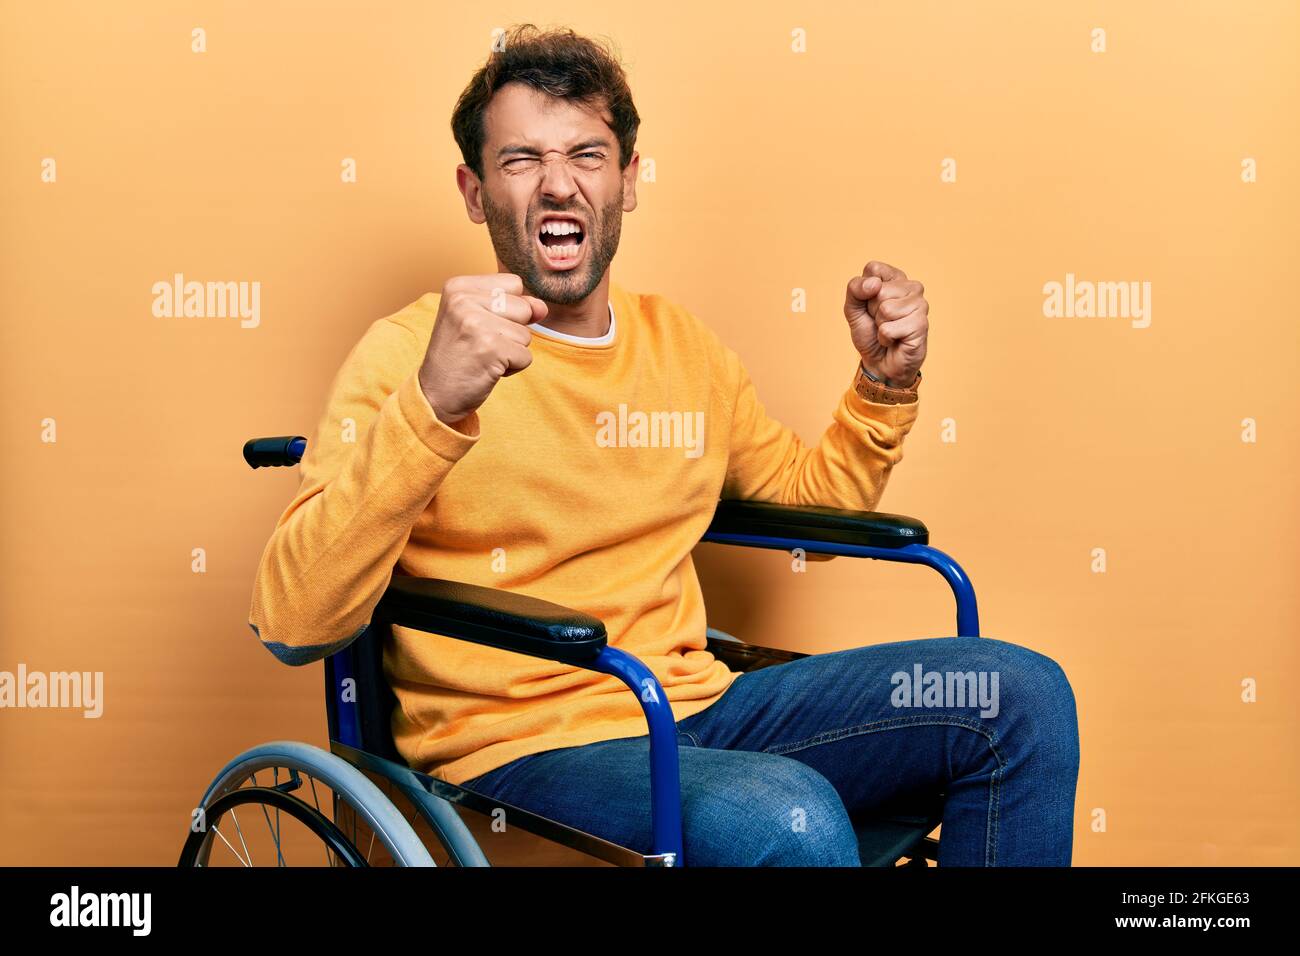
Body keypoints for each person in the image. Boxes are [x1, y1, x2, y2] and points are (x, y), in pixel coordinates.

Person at [248, 23, 1079, 866]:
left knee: (1018, 696)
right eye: (521, 159)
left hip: (692, 705)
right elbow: (293, 622)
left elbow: (803, 506)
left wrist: (883, 383)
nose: (558, 185)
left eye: (586, 154)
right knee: (784, 817)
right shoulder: (408, 353)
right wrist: (433, 403)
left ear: (629, 180)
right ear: (474, 190)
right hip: (519, 740)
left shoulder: (681, 348)